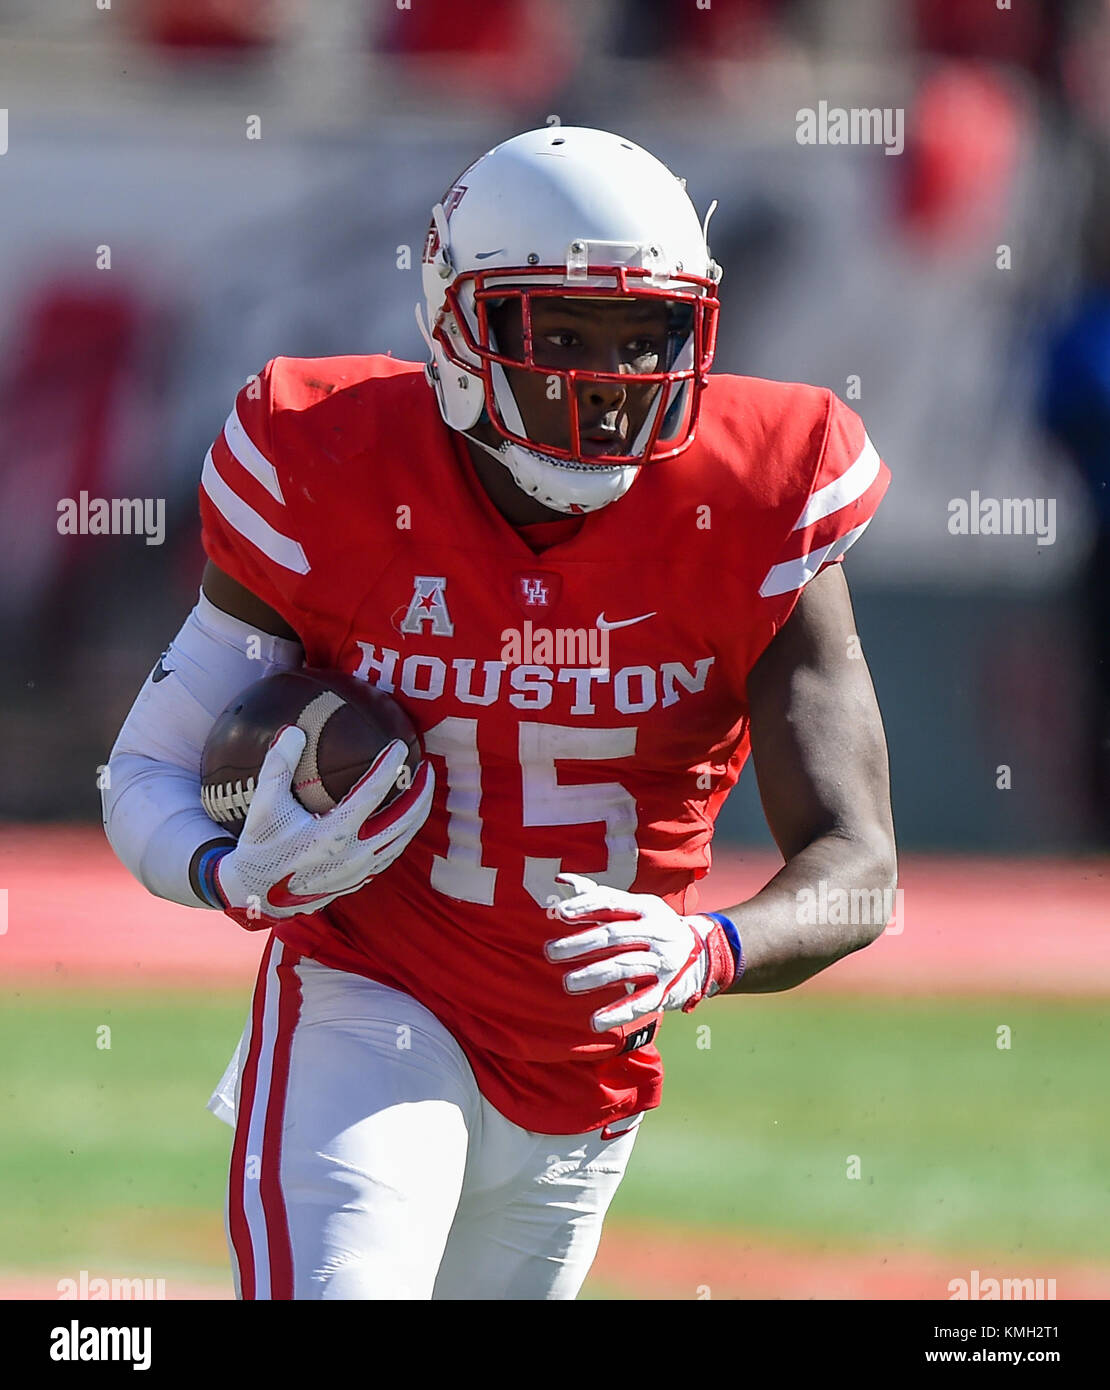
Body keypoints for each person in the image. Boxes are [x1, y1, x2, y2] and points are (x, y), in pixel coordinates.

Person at [101, 126, 897, 1300]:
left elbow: (858, 860)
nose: (606, 381)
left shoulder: (758, 491)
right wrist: (231, 876)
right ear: (460, 327)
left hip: (588, 1058)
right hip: (369, 999)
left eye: (645, 336)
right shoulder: (328, 457)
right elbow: (147, 771)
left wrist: (705, 951)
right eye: (561, 334)